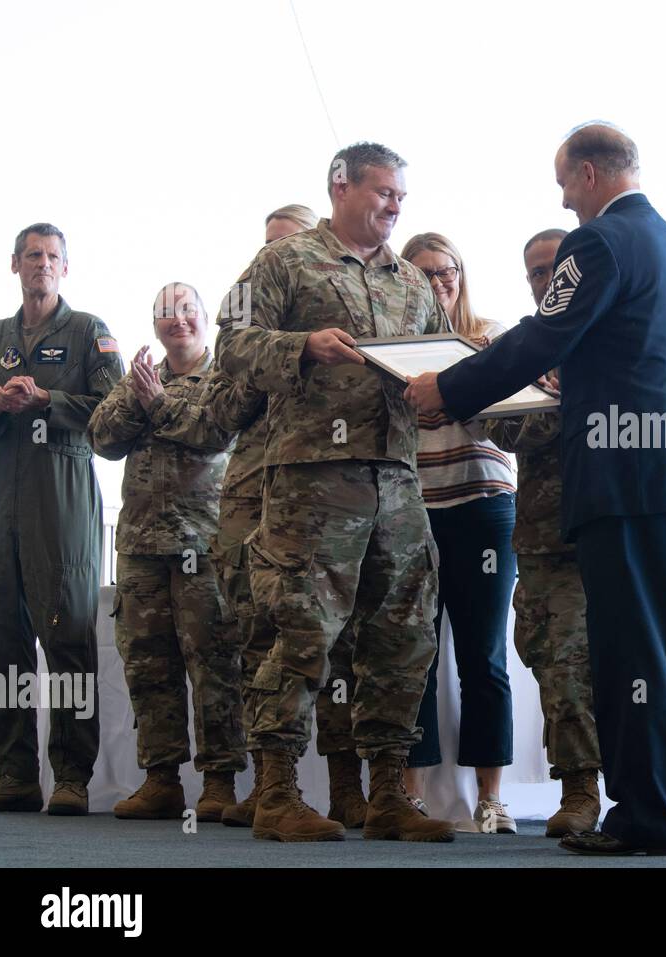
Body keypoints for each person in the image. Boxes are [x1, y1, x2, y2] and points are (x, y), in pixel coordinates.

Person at [404, 123, 666, 854]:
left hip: (623, 476)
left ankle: (644, 816)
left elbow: (541, 336)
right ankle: (660, 808)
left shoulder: (599, 243)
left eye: (563, 184)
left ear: (586, 173)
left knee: (626, 653)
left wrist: (448, 387)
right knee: (663, 654)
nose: (564, 200)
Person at [216, 141, 452, 843]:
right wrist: (300, 347)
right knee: (299, 633)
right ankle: (278, 791)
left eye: (401, 198)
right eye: (383, 192)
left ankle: (388, 792)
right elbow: (229, 343)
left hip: (397, 482)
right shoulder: (284, 262)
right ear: (341, 186)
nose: (394, 206)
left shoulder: (413, 282)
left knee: (402, 637)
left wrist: (447, 394)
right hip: (312, 482)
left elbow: (440, 359)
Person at [200, 203, 369, 831]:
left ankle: (348, 785)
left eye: (292, 247)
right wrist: (287, 357)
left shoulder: (357, 312)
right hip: (255, 495)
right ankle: (275, 786)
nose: (276, 259)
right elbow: (219, 410)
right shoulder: (253, 328)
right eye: (269, 247)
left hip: (334, 492)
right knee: (264, 638)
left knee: (342, 645)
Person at [88, 282, 244, 821]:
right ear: (154, 324)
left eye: (185, 311)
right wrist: (138, 395)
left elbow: (216, 433)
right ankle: (162, 780)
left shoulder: (225, 375)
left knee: (213, 663)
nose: (176, 320)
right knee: (149, 667)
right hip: (139, 546)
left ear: (204, 318)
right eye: (164, 313)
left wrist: (159, 402)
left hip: (202, 545)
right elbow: (101, 439)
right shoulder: (139, 378)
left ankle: (220, 782)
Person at [0, 224, 124, 816]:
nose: (41, 264)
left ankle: (71, 775)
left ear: (65, 268)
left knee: (68, 637)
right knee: (3, 644)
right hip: (1, 501)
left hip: (62, 499)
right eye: (32, 256)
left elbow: (116, 415)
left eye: (52, 256)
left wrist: (48, 401)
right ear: (14, 264)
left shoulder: (88, 332)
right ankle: (16, 774)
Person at [484, 228, 603, 837]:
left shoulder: (613, 329)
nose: (546, 277)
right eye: (535, 271)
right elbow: (502, 431)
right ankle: (579, 789)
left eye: (556, 266)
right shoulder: (520, 348)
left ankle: (649, 786)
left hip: (617, 530)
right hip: (546, 538)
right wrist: (557, 410)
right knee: (557, 666)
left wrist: (567, 400)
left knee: (632, 663)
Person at [399, 231, 518, 833]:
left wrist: (458, 391)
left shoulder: (491, 338)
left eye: (447, 272)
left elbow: (508, 418)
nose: (439, 282)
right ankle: (410, 793)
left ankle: (491, 797)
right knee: (412, 656)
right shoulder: (390, 350)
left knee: (484, 655)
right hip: (413, 513)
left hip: (483, 507)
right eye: (423, 274)